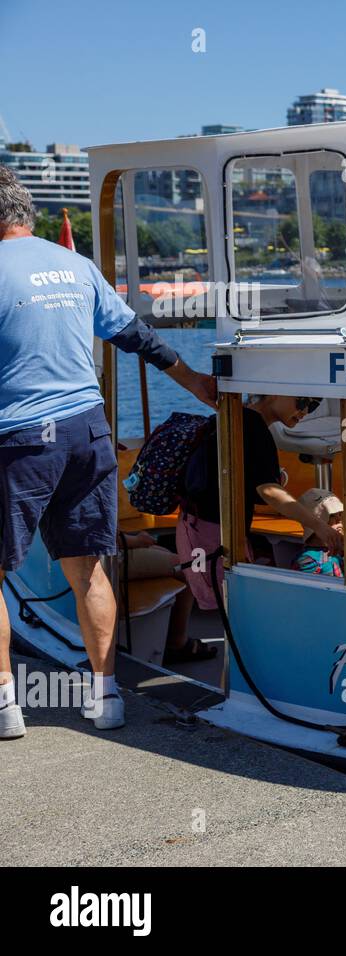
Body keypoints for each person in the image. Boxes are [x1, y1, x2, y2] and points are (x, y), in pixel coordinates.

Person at [0, 167, 216, 736]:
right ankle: (106, 697)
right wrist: (193, 380)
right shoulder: (75, 267)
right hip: (87, 431)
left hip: (20, 438)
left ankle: (5, 707)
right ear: (27, 214)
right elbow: (135, 335)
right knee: (88, 570)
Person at [176, 395, 345, 611]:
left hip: (200, 528)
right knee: (231, 605)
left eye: (313, 405)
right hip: (212, 532)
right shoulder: (254, 427)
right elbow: (270, 492)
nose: (306, 411)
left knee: (229, 603)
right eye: (302, 402)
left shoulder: (237, 419)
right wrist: (319, 525)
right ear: (275, 392)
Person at [119, 531, 212, 664]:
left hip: (110, 551)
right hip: (112, 558)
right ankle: (177, 642)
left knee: (163, 551)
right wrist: (137, 541)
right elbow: (105, 537)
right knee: (189, 567)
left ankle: (165, 634)